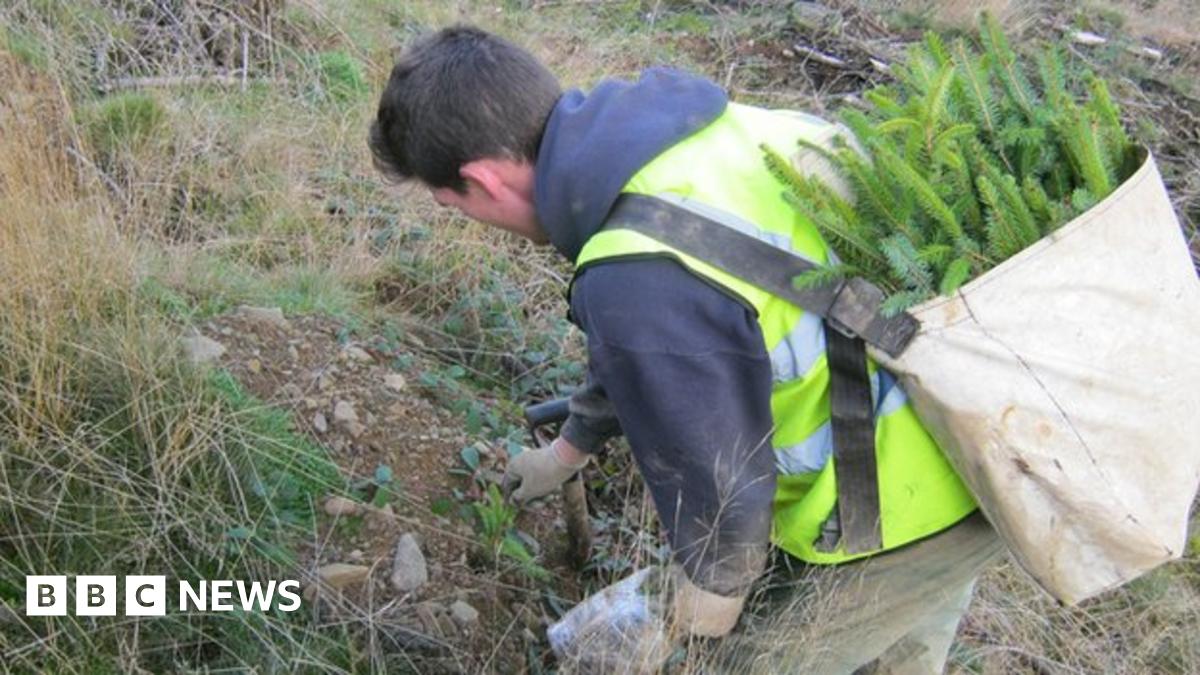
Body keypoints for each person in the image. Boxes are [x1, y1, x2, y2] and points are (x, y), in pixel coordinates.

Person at [369, 25, 1003, 674]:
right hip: (975, 439)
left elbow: (727, 508)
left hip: (896, 510)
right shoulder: (691, 138)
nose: (466, 220)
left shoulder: (634, 274)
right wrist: (568, 450)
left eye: (453, 205)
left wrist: (681, 630)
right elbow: (690, 325)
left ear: (483, 179)